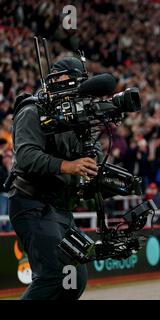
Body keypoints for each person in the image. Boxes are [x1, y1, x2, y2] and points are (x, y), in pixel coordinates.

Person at [8, 57, 102, 300]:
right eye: (74, 79)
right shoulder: (32, 109)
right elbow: (27, 156)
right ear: (59, 78)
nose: (79, 87)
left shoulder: (73, 117)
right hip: (32, 203)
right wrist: (68, 166)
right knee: (54, 276)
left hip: (60, 208)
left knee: (75, 279)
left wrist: (92, 154)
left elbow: (93, 153)